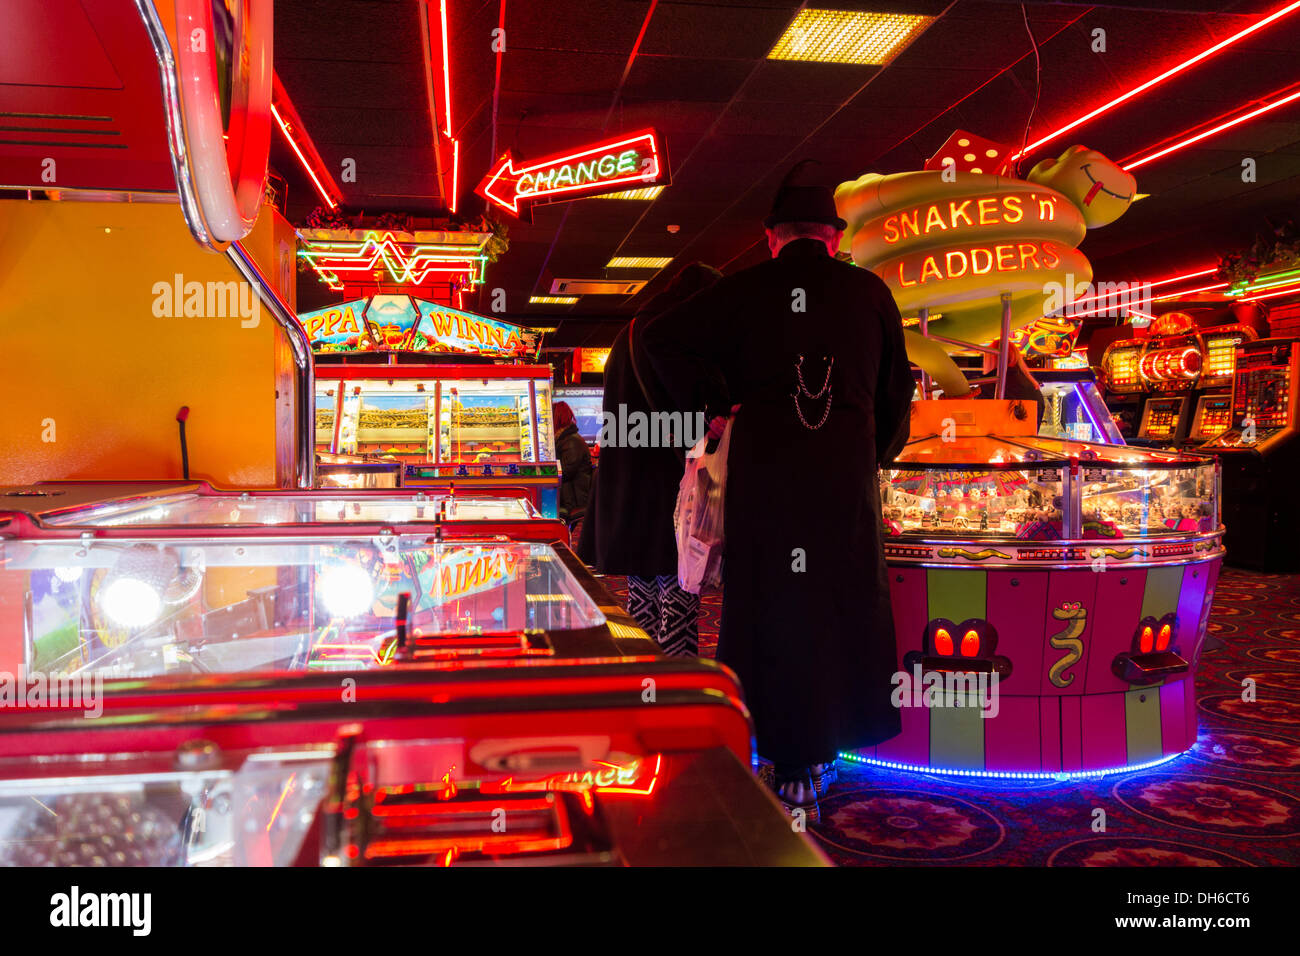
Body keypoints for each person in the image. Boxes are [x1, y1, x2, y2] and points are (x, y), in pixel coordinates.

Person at [639, 166, 915, 816]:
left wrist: (711, 405)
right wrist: (871, 453)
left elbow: (660, 338)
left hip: (767, 480)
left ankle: (775, 746)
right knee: (840, 607)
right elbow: (897, 393)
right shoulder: (869, 292)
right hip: (843, 482)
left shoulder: (746, 290)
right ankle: (821, 749)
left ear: (770, 238)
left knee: (770, 607)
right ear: (833, 238)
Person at [578, 263, 723, 656]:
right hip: (667, 488)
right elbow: (691, 409)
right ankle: (673, 687)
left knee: (642, 599)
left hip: (626, 487)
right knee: (678, 595)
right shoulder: (669, 332)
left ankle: (646, 678)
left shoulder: (626, 336)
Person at [553, 401, 592, 522]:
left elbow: (565, 472)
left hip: (573, 499)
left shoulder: (571, 441)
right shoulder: (565, 439)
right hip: (569, 495)